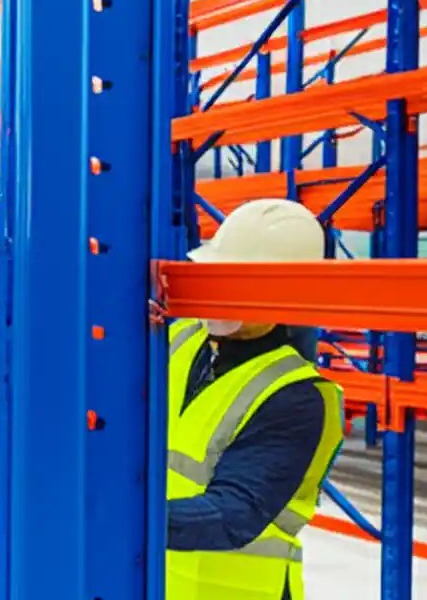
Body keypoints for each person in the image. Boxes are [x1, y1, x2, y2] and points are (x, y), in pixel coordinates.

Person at [166, 198, 345, 600]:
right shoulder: (179, 339)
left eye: (239, 286)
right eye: (217, 277)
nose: (220, 296)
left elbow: (234, 513)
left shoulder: (296, 397)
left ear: (287, 298)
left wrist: (124, 519)